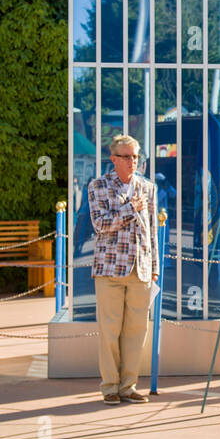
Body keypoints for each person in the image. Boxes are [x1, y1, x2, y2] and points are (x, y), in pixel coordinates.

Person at [88, 135, 159, 405]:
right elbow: (100, 225)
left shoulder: (147, 188)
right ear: (113, 158)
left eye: (136, 157)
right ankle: (110, 387)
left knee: (136, 332)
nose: (133, 162)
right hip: (109, 269)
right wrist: (130, 208)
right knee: (109, 331)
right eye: (127, 157)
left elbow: (152, 230)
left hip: (141, 269)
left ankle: (128, 387)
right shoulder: (98, 186)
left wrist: (154, 268)